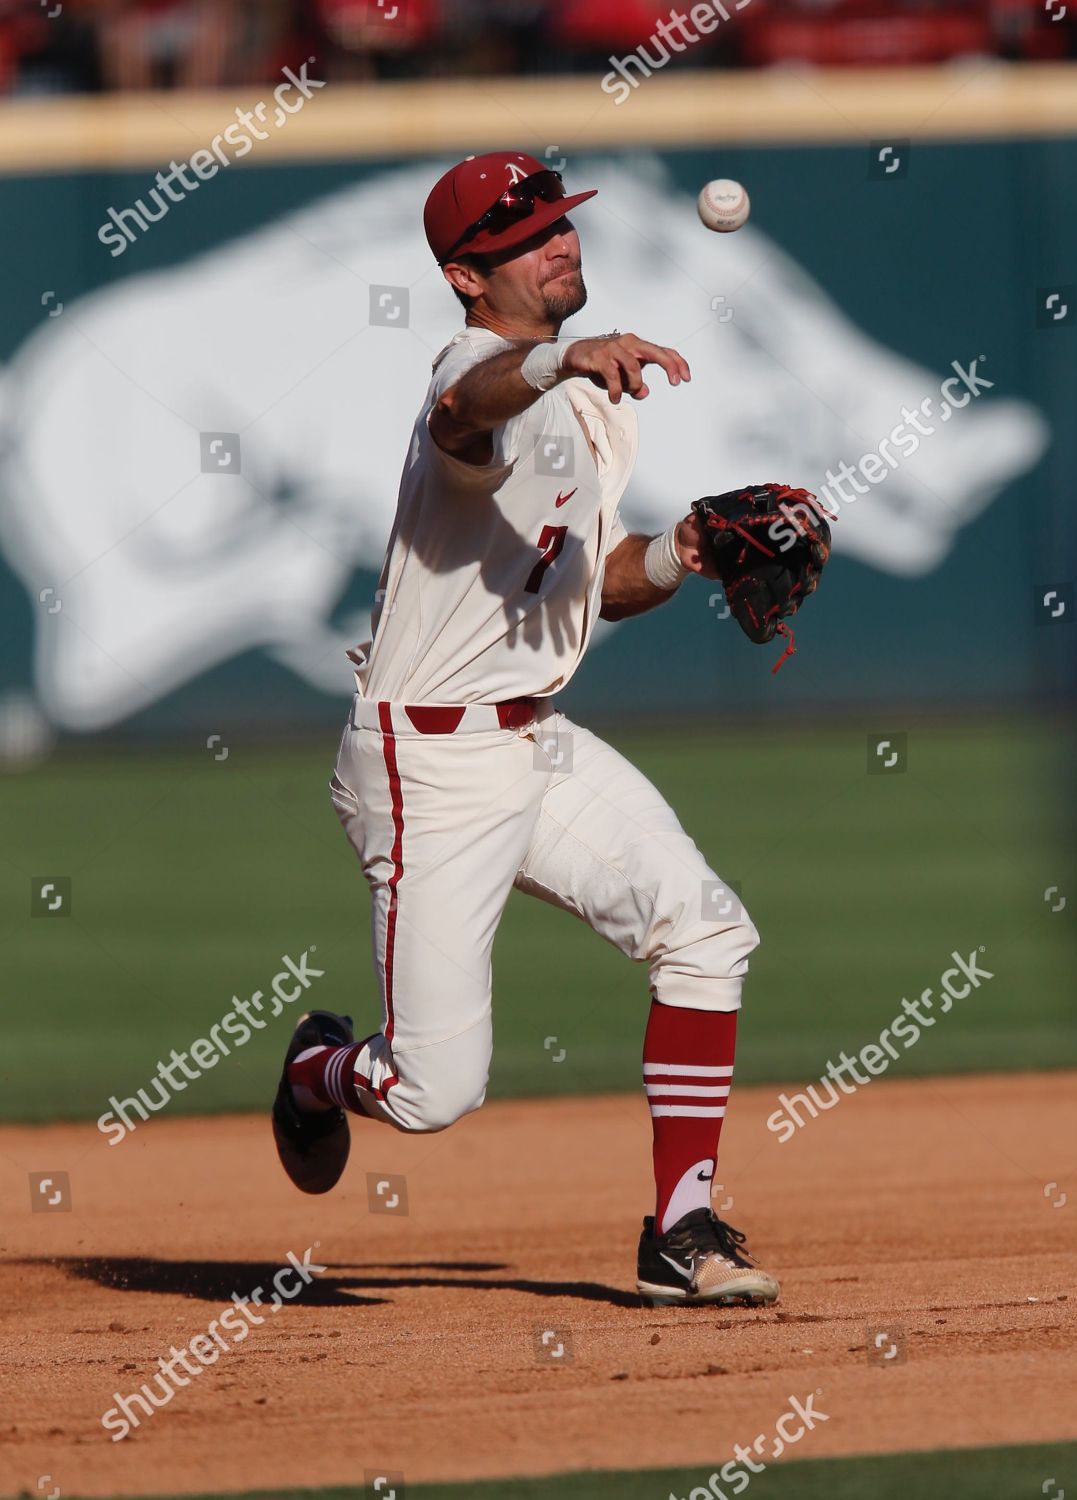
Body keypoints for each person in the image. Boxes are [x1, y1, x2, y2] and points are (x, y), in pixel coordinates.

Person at [271, 150, 780, 1308]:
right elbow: (467, 406)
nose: (560, 242)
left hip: (534, 737)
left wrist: (683, 555)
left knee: (706, 933)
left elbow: (586, 582)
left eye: (562, 223)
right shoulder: (478, 372)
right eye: (527, 237)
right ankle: (316, 1068)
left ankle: (681, 1227)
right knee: (429, 1095)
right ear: (465, 276)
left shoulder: (594, 403)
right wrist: (559, 358)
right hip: (425, 757)